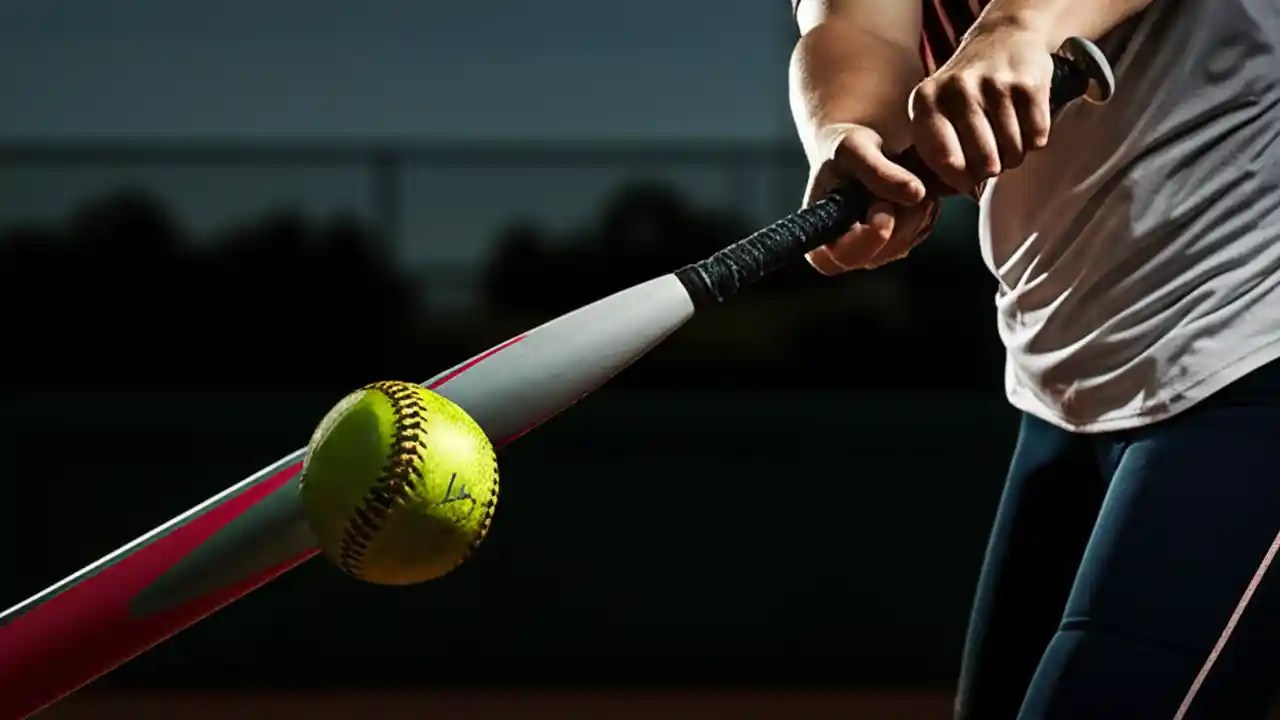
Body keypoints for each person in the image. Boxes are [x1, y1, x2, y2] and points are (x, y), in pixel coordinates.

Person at [788, 0, 1280, 717]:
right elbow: (857, 25)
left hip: (1253, 340)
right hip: (1064, 368)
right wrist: (850, 131)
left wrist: (1017, 23)